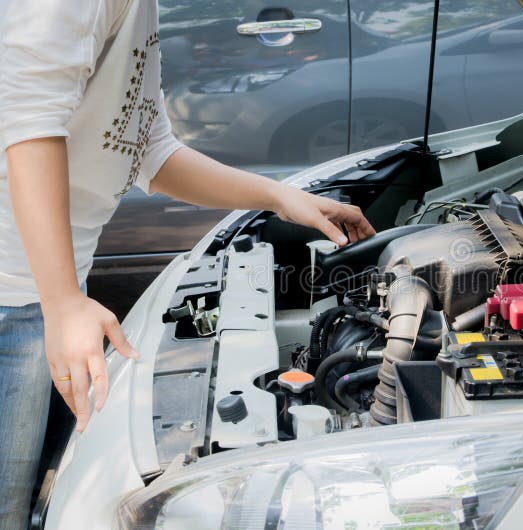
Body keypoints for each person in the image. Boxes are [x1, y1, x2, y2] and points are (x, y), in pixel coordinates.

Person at [0, 0, 375, 527]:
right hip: (13, 298)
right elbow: (28, 128)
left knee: (44, 502)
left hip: (41, 290)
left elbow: (149, 153)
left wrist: (281, 197)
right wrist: (62, 301)